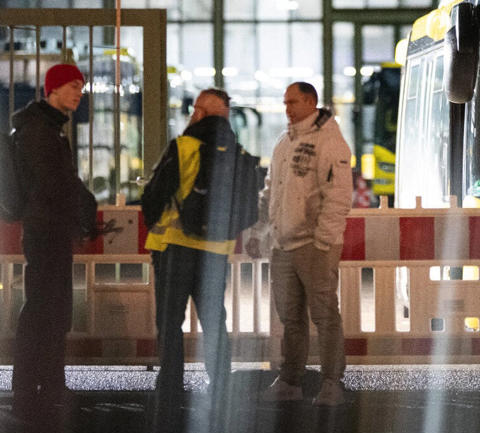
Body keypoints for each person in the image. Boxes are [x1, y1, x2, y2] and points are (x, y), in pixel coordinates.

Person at [247, 82, 353, 406]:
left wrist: (322, 241)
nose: (287, 109)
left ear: (311, 101)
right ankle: (292, 381)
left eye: (292, 102)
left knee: (323, 315)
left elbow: (338, 197)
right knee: (291, 317)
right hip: (285, 244)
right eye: (285, 103)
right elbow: (271, 192)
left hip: (311, 244)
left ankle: (331, 382)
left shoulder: (329, 141)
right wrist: (263, 231)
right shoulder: (285, 141)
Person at [11, 63, 98, 416]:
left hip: (50, 229)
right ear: (54, 89)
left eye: (81, 87)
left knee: (52, 310)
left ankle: (46, 385)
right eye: (73, 85)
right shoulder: (40, 131)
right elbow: (54, 183)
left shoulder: (48, 128)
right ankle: (31, 390)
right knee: (43, 311)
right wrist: (86, 206)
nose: (80, 93)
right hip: (46, 231)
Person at [143, 88, 238, 408]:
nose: (192, 113)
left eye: (196, 109)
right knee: (214, 319)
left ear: (200, 113)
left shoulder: (183, 147)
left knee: (170, 320)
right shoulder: (236, 152)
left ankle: (170, 385)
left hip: (176, 247)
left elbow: (153, 198)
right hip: (216, 251)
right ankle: (222, 383)